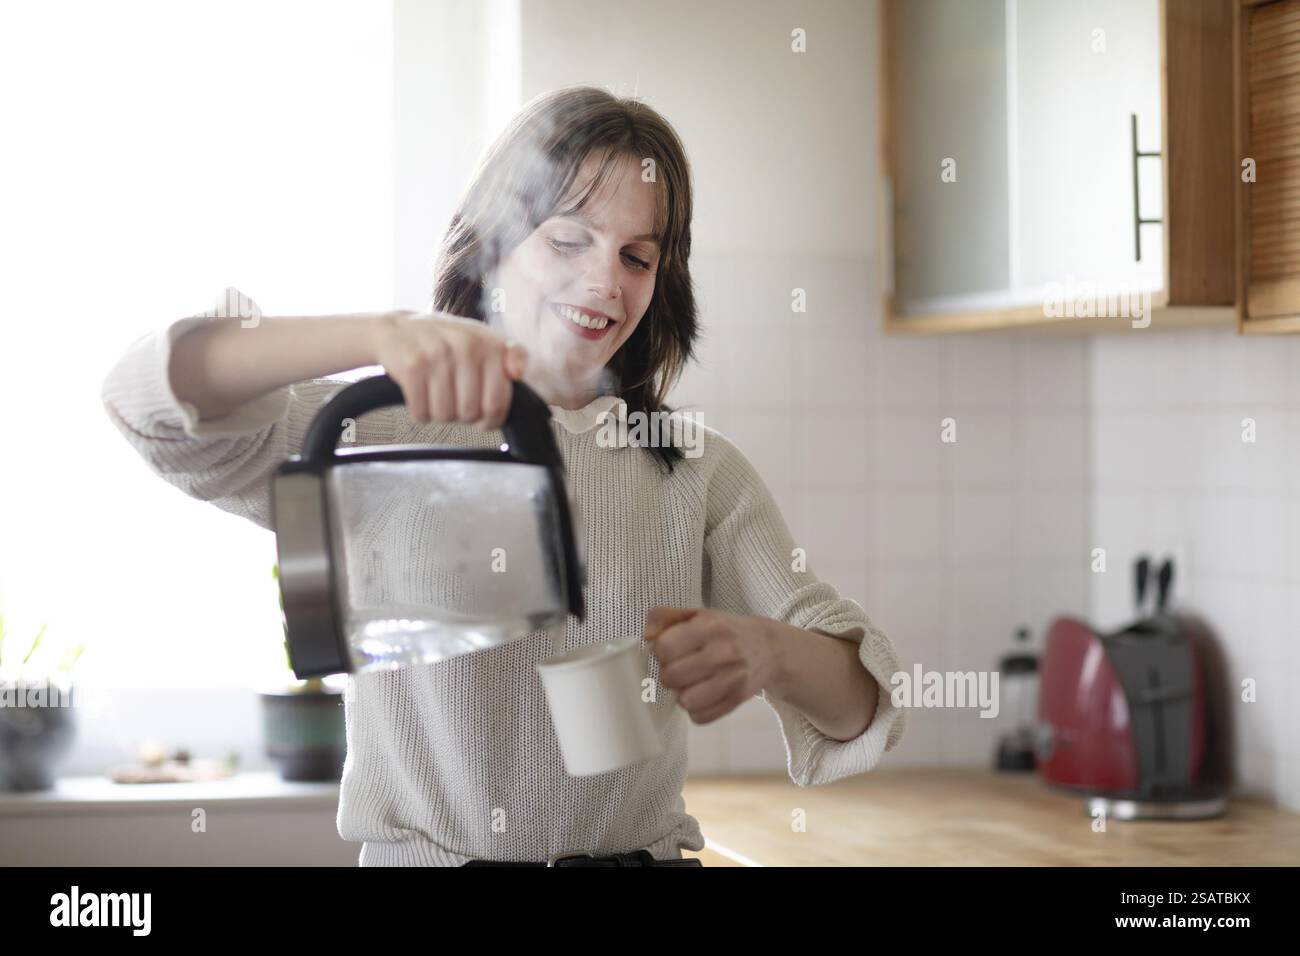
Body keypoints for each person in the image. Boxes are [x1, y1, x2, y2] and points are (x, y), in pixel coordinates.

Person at [100, 85, 906, 866]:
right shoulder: (381, 426)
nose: (604, 281)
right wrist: (380, 335)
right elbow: (145, 400)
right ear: (495, 240)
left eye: (637, 256)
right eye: (569, 238)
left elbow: (865, 707)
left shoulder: (696, 469)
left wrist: (770, 651)